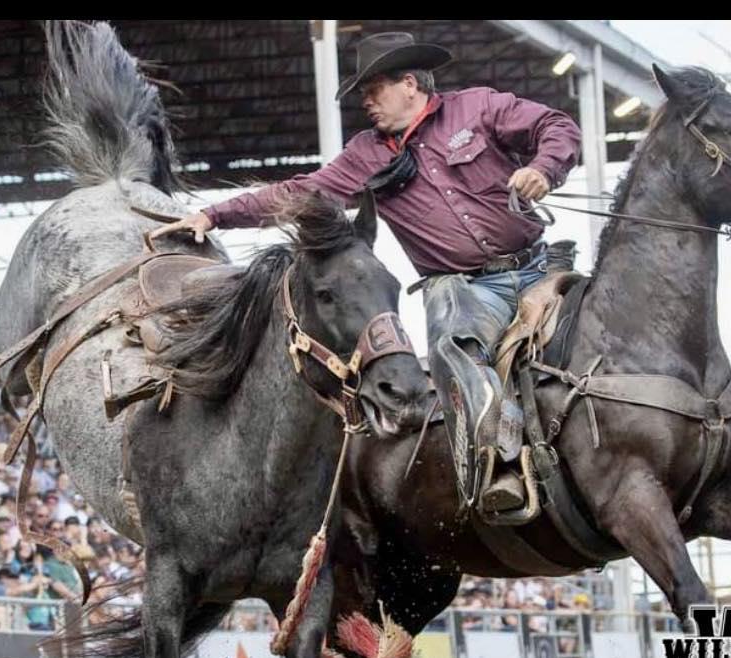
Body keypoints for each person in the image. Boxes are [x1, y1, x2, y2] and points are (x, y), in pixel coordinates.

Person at [152, 32, 581, 513]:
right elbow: (301, 193)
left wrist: (545, 168)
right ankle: (499, 468)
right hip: (462, 287)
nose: (366, 102)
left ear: (410, 85)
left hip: (541, 265)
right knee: (452, 352)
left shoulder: (478, 107)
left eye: (374, 89)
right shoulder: (365, 154)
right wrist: (215, 215)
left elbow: (555, 125)